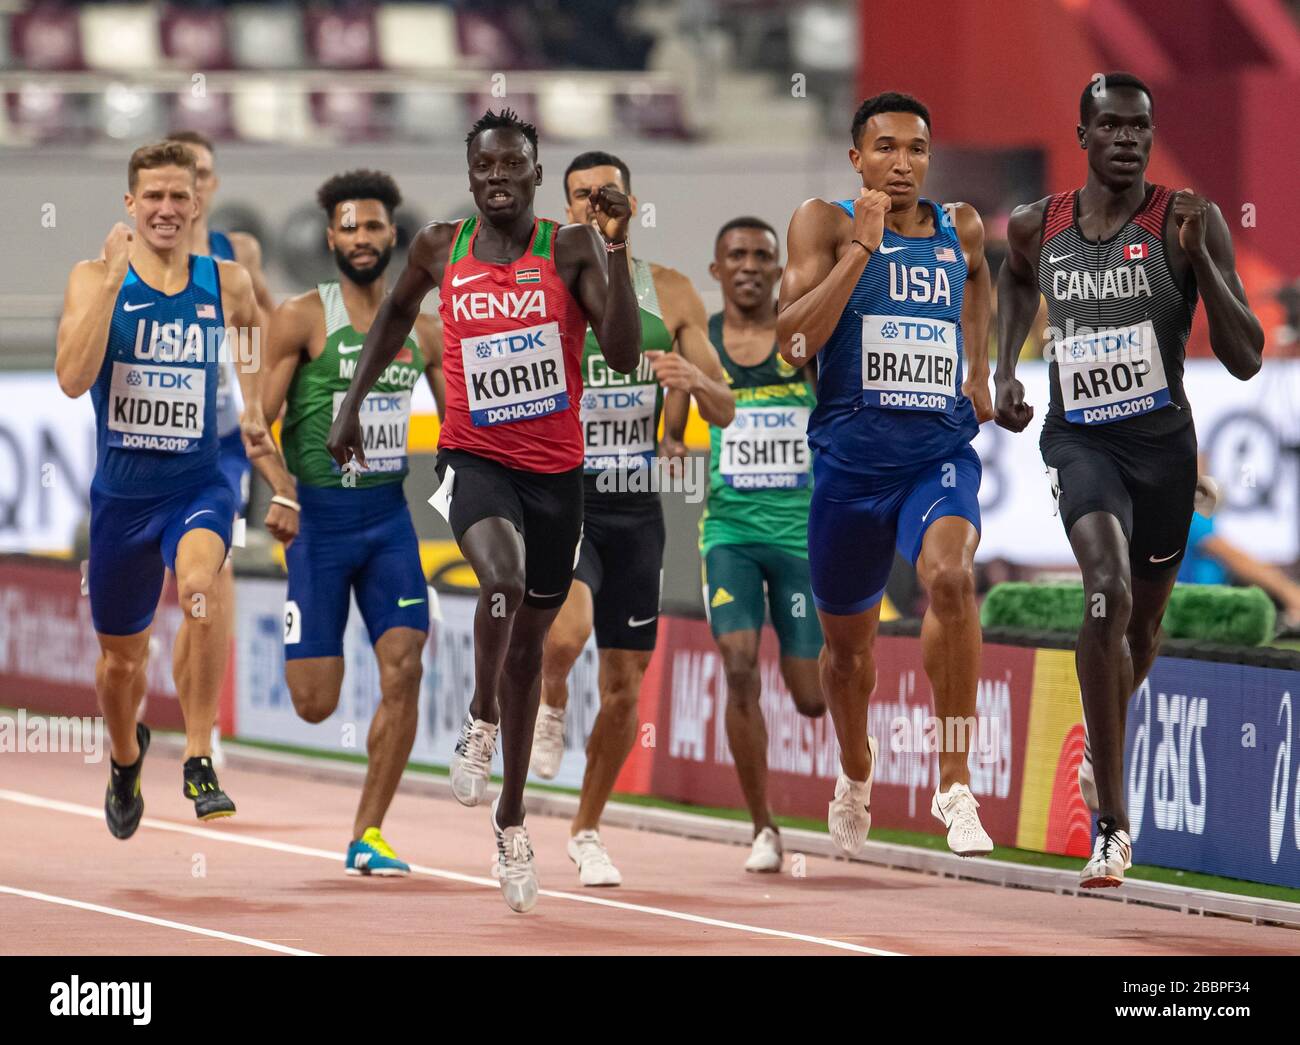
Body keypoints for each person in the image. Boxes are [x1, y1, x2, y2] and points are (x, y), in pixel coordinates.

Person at [327, 109, 641, 912]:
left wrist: (618, 248)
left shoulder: (569, 248)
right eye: (485, 166)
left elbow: (623, 350)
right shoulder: (440, 246)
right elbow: (395, 317)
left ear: (537, 175)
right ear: (471, 176)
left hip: (557, 474)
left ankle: (510, 821)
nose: (498, 177)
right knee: (497, 582)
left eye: (513, 166)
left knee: (529, 648)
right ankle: (477, 720)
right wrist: (352, 405)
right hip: (474, 458)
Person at [994, 73, 1264, 887]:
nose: (1126, 140)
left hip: (1164, 453)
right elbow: (1011, 275)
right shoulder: (1039, 224)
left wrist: (1202, 265)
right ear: (1082, 135)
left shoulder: (1187, 218)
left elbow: (1248, 358)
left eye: (1139, 128)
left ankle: (1100, 729)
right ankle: (1112, 822)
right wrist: (1003, 367)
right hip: (1080, 442)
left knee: (1141, 627)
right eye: (1109, 126)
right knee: (1103, 590)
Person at [776, 92, 996, 860]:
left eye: (917, 149)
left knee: (951, 577)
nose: (903, 162)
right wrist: (861, 252)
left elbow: (980, 283)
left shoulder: (958, 226)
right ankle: (856, 766)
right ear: (856, 158)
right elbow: (792, 342)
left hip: (934, 458)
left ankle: (955, 781)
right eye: (886, 148)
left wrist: (982, 377)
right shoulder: (824, 222)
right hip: (847, 473)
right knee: (848, 656)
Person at [527, 150, 734, 887]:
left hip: (638, 511)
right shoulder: (542, 285)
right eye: (579, 196)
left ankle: (586, 830)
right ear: (562, 209)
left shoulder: (670, 292)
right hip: (566, 496)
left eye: (605, 196)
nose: (593, 207)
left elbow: (725, 407)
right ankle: (551, 700)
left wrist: (694, 377)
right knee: (567, 635)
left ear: (631, 204)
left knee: (623, 687)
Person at [55, 141, 270, 836]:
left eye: (180, 196)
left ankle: (201, 753)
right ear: (130, 204)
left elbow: (253, 337)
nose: (168, 209)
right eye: (154, 197)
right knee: (122, 664)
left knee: (203, 585)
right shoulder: (94, 278)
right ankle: (125, 757)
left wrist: (255, 403)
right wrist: (115, 280)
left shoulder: (226, 280)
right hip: (121, 501)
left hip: (196, 484)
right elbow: (71, 377)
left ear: (198, 201)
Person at [251, 170, 444, 875]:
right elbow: (255, 425)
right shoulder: (303, 317)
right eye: (349, 227)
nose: (363, 239)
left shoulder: (423, 330)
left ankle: (369, 830)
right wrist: (282, 489)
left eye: (374, 227)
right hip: (320, 527)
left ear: (394, 233)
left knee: (406, 665)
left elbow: (457, 430)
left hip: (389, 522)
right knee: (313, 702)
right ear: (330, 237)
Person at [670, 215, 826, 873]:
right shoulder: (699, 341)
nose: (751, 265)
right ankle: (763, 826)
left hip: (801, 538)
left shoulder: (804, 340)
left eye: (764, 255)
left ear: (779, 268)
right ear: (716, 269)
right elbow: (673, 445)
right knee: (737, 666)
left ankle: (851, 764)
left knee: (812, 697)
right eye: (736, 254)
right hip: (729, 534)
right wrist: (672, 450)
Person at [166, 130, 276, 768]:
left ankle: (199, 733)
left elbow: (266, 328)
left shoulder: (237, 254)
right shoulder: (130, 252)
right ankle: (192, 724)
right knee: (188, 596)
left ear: (211, 183)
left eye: (202, 173)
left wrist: (258, 397)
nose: (194, 185)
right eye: (182, 174)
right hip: (154, 447)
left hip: (224, 450)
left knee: (207, 584)